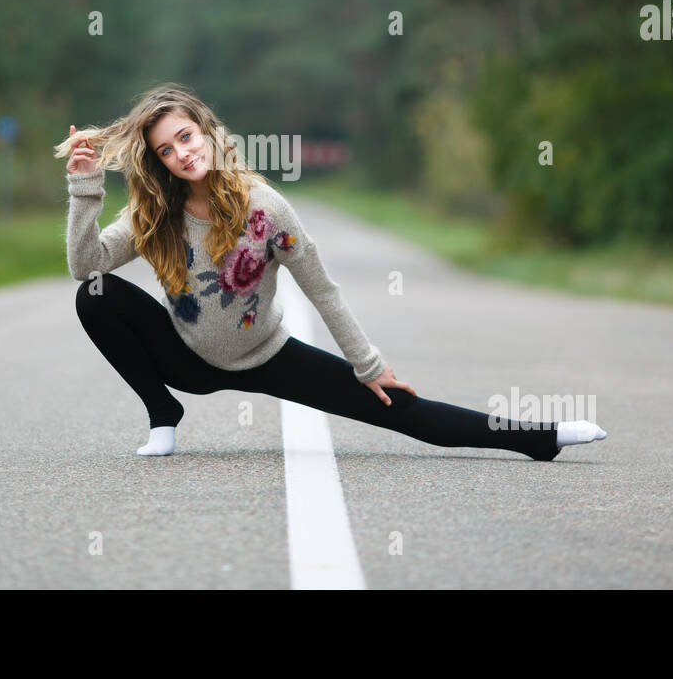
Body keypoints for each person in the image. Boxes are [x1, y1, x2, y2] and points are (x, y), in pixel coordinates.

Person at [53, 83, 607, 459]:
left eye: (186, 137)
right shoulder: (154, 214)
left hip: (265, 356)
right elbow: (86, 266)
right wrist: (85, 186)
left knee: (407, 413)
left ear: (208, 133)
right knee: (95, 296)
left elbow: (322, 290)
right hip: (185, 357)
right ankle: (162, 412)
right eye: (166, 150)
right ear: (158, 161)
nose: (181, 153)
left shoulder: (265, 209)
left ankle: (540, 437)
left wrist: (370, 366)